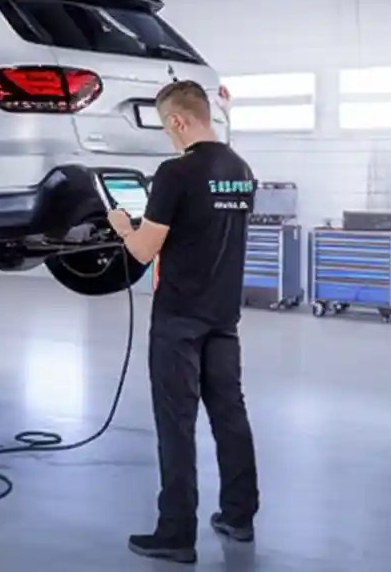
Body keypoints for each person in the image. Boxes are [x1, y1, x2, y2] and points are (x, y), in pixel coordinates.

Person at [106, 80, 260, 565]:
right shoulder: (241, 170)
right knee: (230, 416)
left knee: (176, 423)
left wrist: (122, 226)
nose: (169, 138)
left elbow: (144, 249)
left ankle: (176, 533)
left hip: (178, 319)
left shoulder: (175, 172)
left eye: (167, 127)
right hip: (223, 316)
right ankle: (238, 514)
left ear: (177, 120)